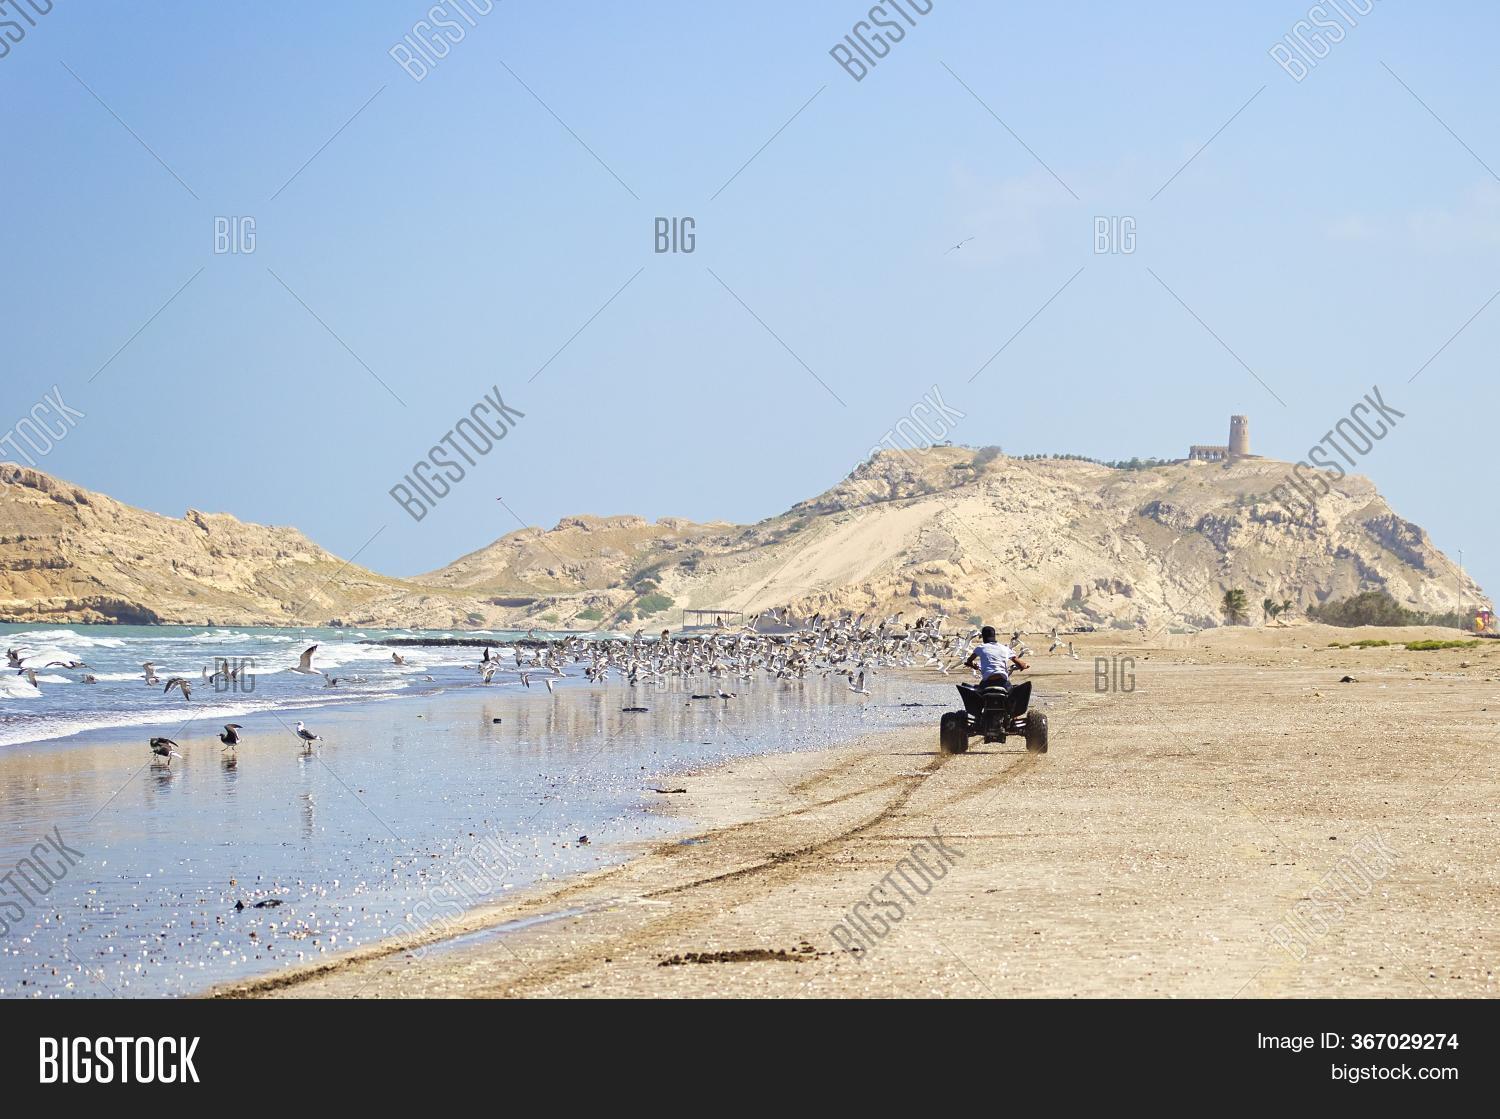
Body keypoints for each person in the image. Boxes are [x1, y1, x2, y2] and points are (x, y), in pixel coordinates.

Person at [964, 625, 1028, 687]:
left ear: (983, 637)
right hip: (1003, 682)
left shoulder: (980, 648)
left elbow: (969, 661)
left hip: (987, 682)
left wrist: (974, 666)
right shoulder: (1005, 648)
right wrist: (1024, 666)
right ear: (994, 636)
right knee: (1012, 689)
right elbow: (1020, 664)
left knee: (977, 689)